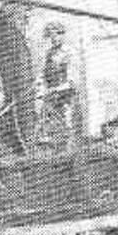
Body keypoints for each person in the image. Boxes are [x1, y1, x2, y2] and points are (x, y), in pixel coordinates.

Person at [34, 22, 79, 155]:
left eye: (56, 35)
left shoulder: (69, 53)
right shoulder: (49, 54)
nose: (53, 39)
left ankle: (67, 154)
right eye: (50, 36)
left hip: (66, 97)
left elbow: (72, 80)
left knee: (66, 125)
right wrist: (39, 87)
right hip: (51, 97)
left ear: (62, 35)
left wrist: (57, 89)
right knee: (46, 124)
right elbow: (42, 75)